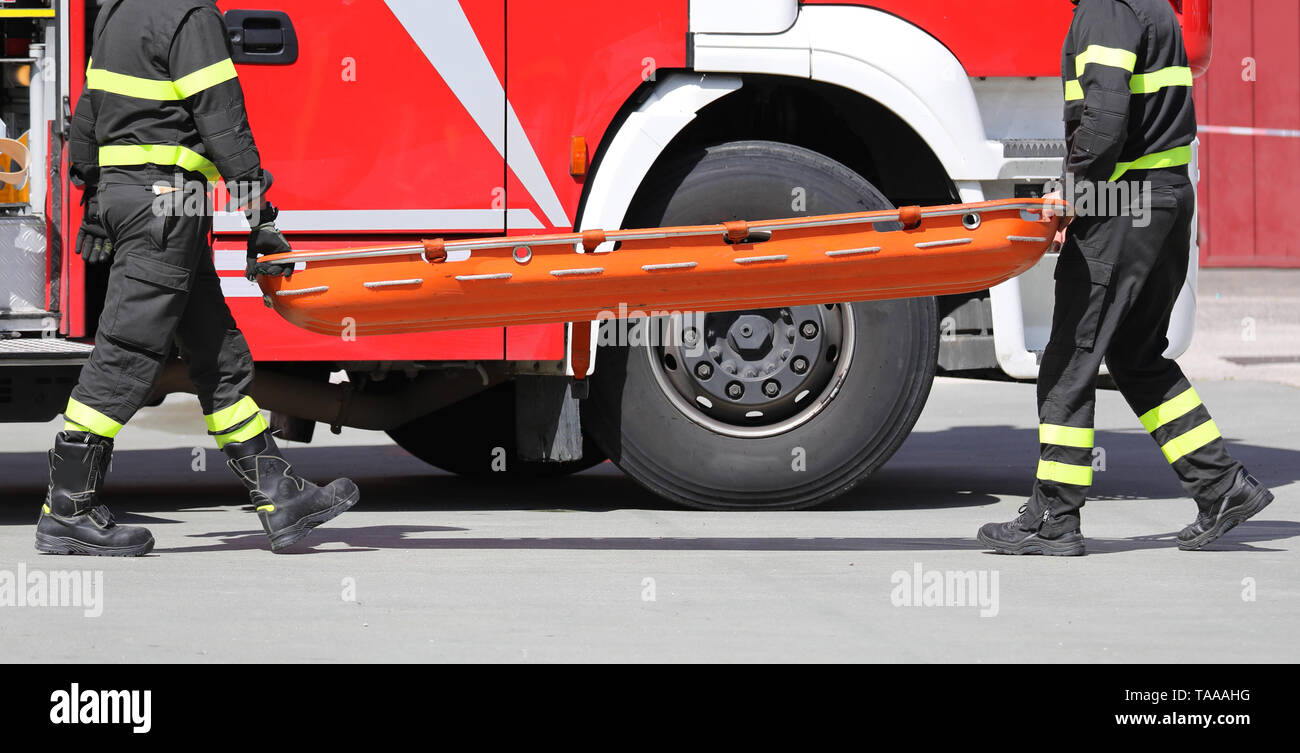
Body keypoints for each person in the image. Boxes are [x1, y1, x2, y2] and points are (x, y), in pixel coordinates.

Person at [37, 0, 358, 556]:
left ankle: (277, 493)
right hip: (167, 206)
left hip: (139, 200)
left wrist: (93, 198)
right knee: (127, 352)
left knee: (217, 352)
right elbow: (223, 120)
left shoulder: (114, 11)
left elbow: (90, 109)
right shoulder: (190, 15)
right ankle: (67, 509)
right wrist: (259, 215)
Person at [978, 0, 1272, 556]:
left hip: (1121, 206)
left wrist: (1072, 189)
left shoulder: (1107, 9)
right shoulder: (1152, 8)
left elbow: (1105, 119)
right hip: (1162, 201)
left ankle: (1054, 518)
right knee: (1137, 358)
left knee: (1070, 358)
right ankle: (1221, 486)